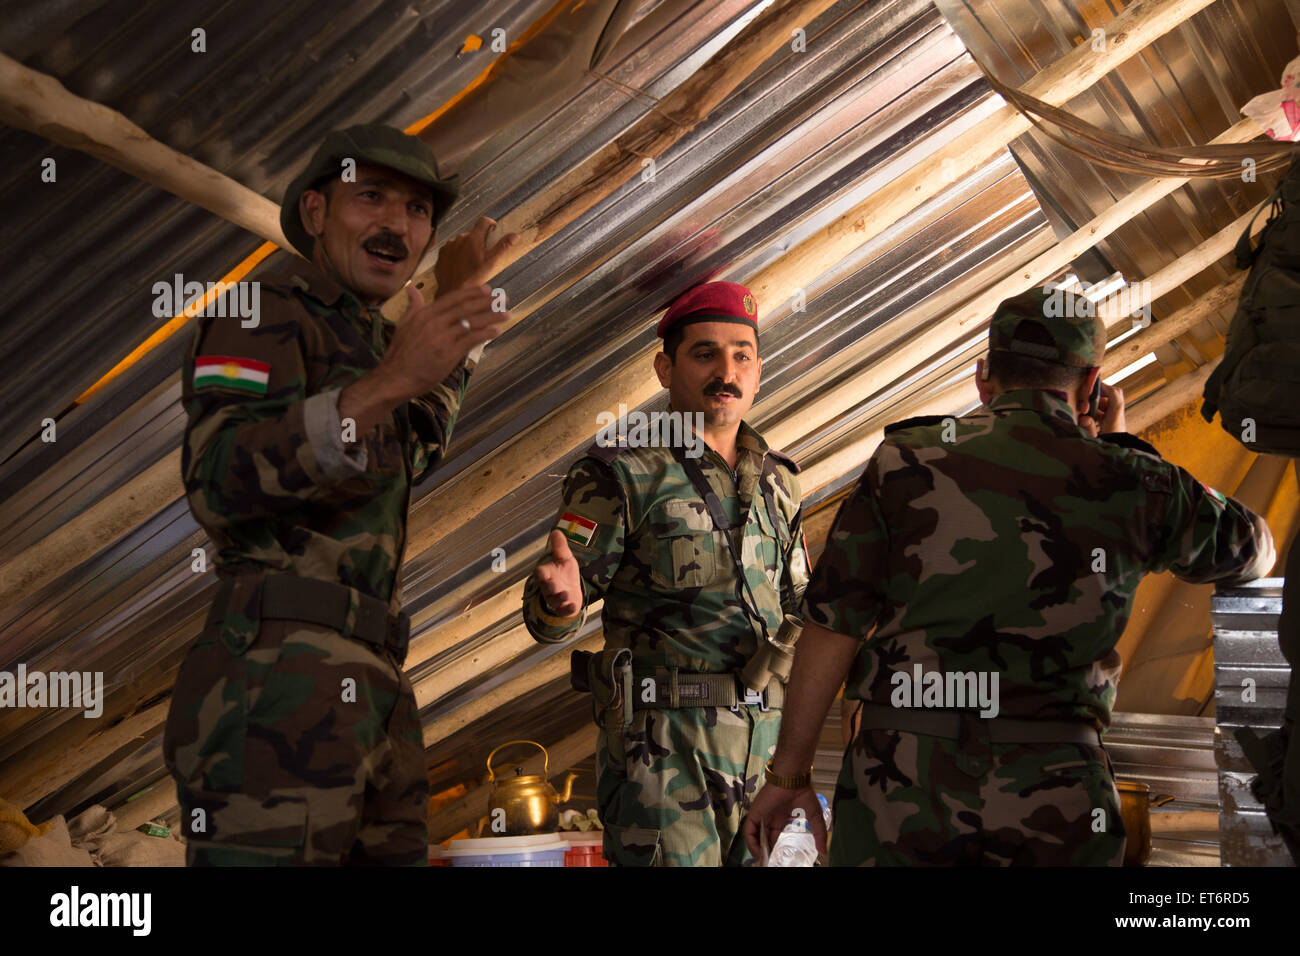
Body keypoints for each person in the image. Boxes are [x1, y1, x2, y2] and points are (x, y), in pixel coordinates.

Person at [745, 286, 1277, 866]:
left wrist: (790, 773)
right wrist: (1124, 447)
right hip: (1056, 791)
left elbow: (831, 625)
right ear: (1094, 385)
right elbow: (1255, 550)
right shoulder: (1134, 481)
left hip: (901, 783)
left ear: (983, 377)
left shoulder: (906, 462)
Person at [165, 123, 518, 865]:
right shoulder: (261, 310)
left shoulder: (364, 336)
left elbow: (415, 437)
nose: (398, 225)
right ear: (318, 213)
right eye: (374, 197)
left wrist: (449, 314)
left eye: (418, 210)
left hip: (373, 677)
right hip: (272, 683)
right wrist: (391, 380)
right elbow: (218, 481)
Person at [521, 281, 810, 866]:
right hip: (665, 755)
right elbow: (545, 615)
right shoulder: (621, 473)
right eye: (704, 353)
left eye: (741, 355)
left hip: (768, 753)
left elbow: (801, 605)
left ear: (758, 371)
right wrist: (559, 604)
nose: (725, 371)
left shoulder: (781, 480)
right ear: (664, 368)